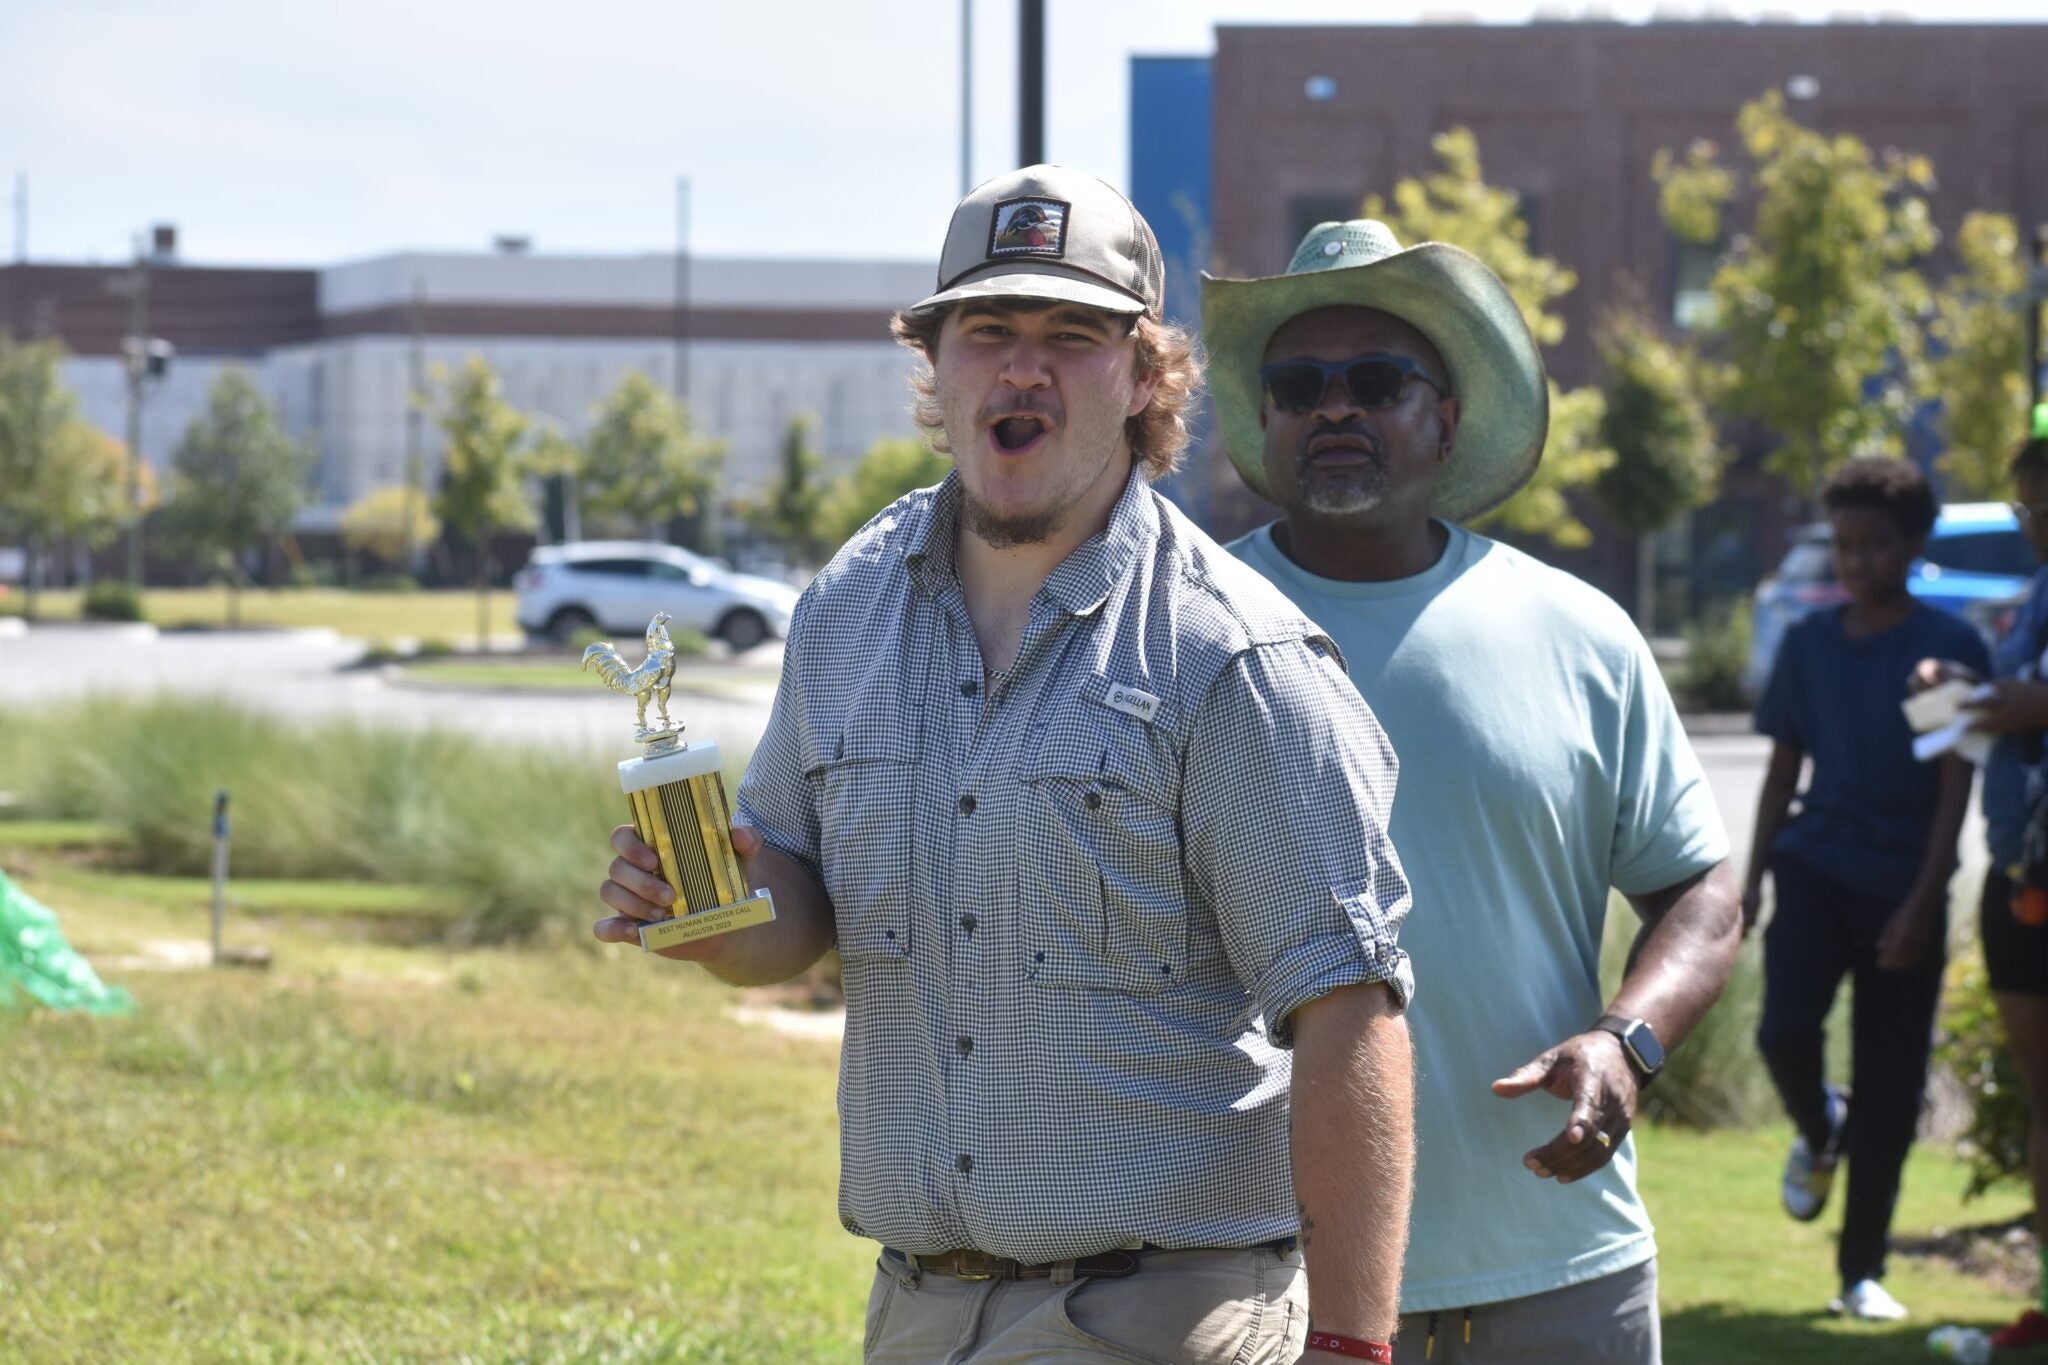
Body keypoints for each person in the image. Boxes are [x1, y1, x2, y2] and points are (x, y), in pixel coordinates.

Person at [597, 168, 1419, 1364]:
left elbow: (1347, 1005)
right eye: (987, 330)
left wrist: (1349, 1347)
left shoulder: (1228, 657)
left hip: (1163, 1312)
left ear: (1143, 378)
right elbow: (797, 897)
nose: (1022, 368)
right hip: (917, 1310)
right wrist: (714, 916)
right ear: (936, 365)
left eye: (1071, 336)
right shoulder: (849, 608)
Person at [1202, 220, 1742, 1364]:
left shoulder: (1577, 632)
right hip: (1267, 1275)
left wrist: (1625, 1042)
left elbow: (1697, 891)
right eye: (1298, 386)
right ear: (1264, 420)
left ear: (1443, 420)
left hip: (1559, 1264)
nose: (1333, 409)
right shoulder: (1184, 632)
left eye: (1375, 382)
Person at [1744, 457, 1988, 1321]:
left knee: (1891, 1083)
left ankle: (1860, 1272)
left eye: (1876, 544)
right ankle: (1821, 1126)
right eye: (1845, 545)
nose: (1857, 560)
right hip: (1812, 872)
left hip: (1901, 889)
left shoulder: (1945, 653)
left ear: (1915, 546)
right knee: (1782, 1033)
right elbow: (1782, 769)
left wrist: (1923, 901)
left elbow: (1955, 787)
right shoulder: (1809, 644)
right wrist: (1751, 880)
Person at [1912, 435, 2048, 1351]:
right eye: (2027, 509)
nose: (2036, 527)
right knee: (2045, 1102)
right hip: (2022, 876)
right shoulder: (2036, 594)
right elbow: (2018, 700)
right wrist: (1968, 690)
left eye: (2046, 508)